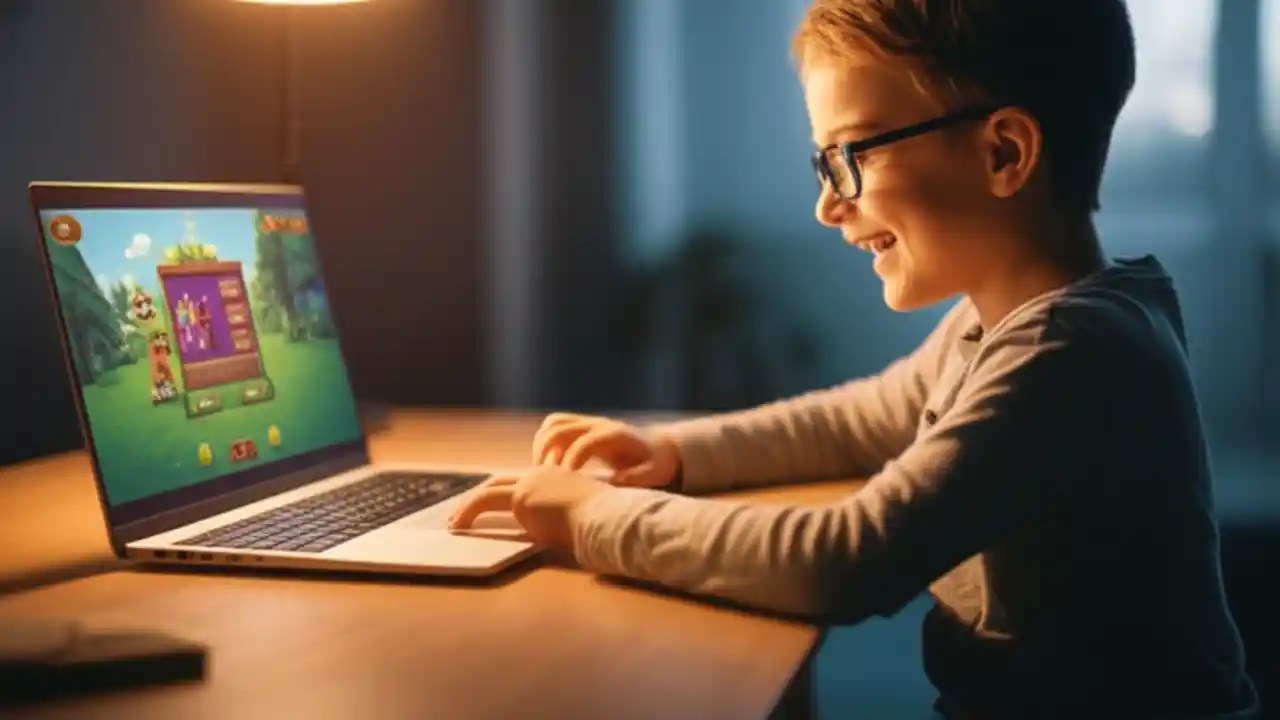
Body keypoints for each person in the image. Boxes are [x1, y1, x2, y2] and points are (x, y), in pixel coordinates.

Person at [450, 1, 1260, 716]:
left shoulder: (1070, 351)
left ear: (1005, 154)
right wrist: (672, 453)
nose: (829, 204)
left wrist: (596, 519)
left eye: (853, 156)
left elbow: (847, 560)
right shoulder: (1002, 326)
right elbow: (857, 420)